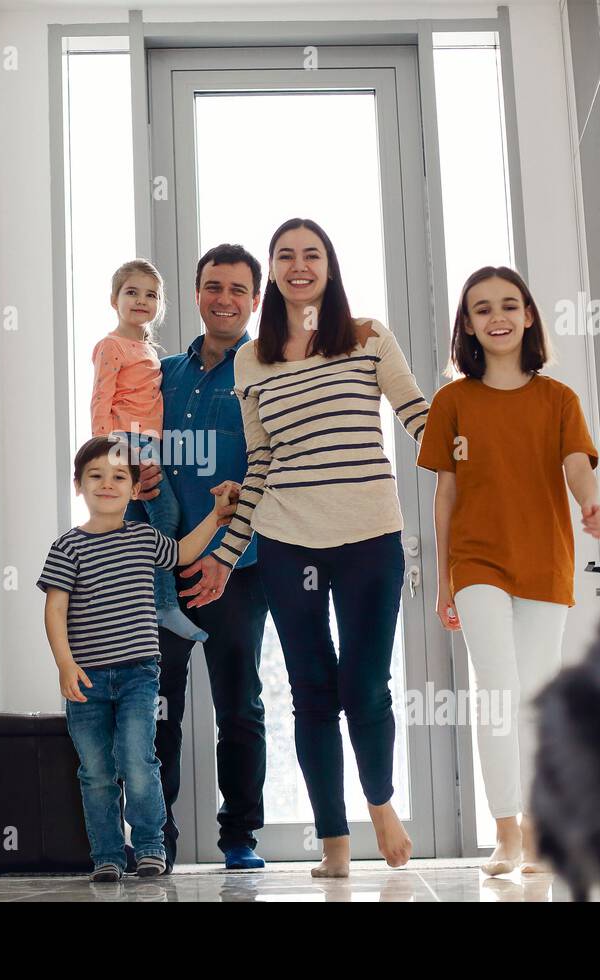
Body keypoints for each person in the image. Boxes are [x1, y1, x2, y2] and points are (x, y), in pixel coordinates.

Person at [191, 218, 430, 877]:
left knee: (366, 686)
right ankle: (334, 844)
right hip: (287, 541)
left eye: (312, 254)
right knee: (311, 691)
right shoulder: (252, 359)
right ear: (274, 271)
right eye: (286, 256)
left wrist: (478, 443)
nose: (299, 265)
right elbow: (261, 464)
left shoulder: (366, 337)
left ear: (330, 266)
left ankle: (380, 804)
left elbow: (417, 415)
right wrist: (223, 552)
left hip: (369, 537)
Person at [416, 264, 600, 875]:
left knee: (532, 696)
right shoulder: (451, 401)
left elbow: (578, 465)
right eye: (481, 308)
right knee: (496, 692)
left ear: (528, 316)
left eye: (507, 304)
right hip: (477, 562)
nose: (496, 317)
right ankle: (506, 833)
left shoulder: (558, 400)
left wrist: (591, 503)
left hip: (544, 560)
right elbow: (445, 495)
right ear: (467, 326)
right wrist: (445, 576)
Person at [38, 435, 240, 882]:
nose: (106, 484)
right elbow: (54, 609)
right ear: (78, 485)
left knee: (138, 760)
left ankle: (151, 846)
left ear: (134, 488)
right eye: (95, 476)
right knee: (95, 772)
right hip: (86, 679)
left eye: (118, 477)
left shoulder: (145, 538)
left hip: (138, 675)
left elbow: (185, 552)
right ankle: (108, 856)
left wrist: (217, 516)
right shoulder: (67, 547)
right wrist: (66, 665)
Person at [131, 243, 272, 871]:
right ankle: (156, 843)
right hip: (162, 571)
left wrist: (225, 548)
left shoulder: (265, 373)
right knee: (158, 712)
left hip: (239, 567)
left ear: (255, 300)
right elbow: (126, 443)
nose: (225, 299)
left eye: (238, 290)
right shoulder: (161, 373)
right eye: (214, 287)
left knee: (239, 707)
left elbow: (274, 472)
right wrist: (133, 473)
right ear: (195, 294)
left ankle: (239, 837)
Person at [90, 259, 207, 643]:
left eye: (151, 295)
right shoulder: (111, 346)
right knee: (167, 513)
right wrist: (109, 455)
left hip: (151, 444)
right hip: (128, 442)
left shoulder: (148, 350)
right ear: (114, 299)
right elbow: (101, 401)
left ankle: (128, 604)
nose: (142, 300)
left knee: (132, 526)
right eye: (132, 292)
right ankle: (164, 602)